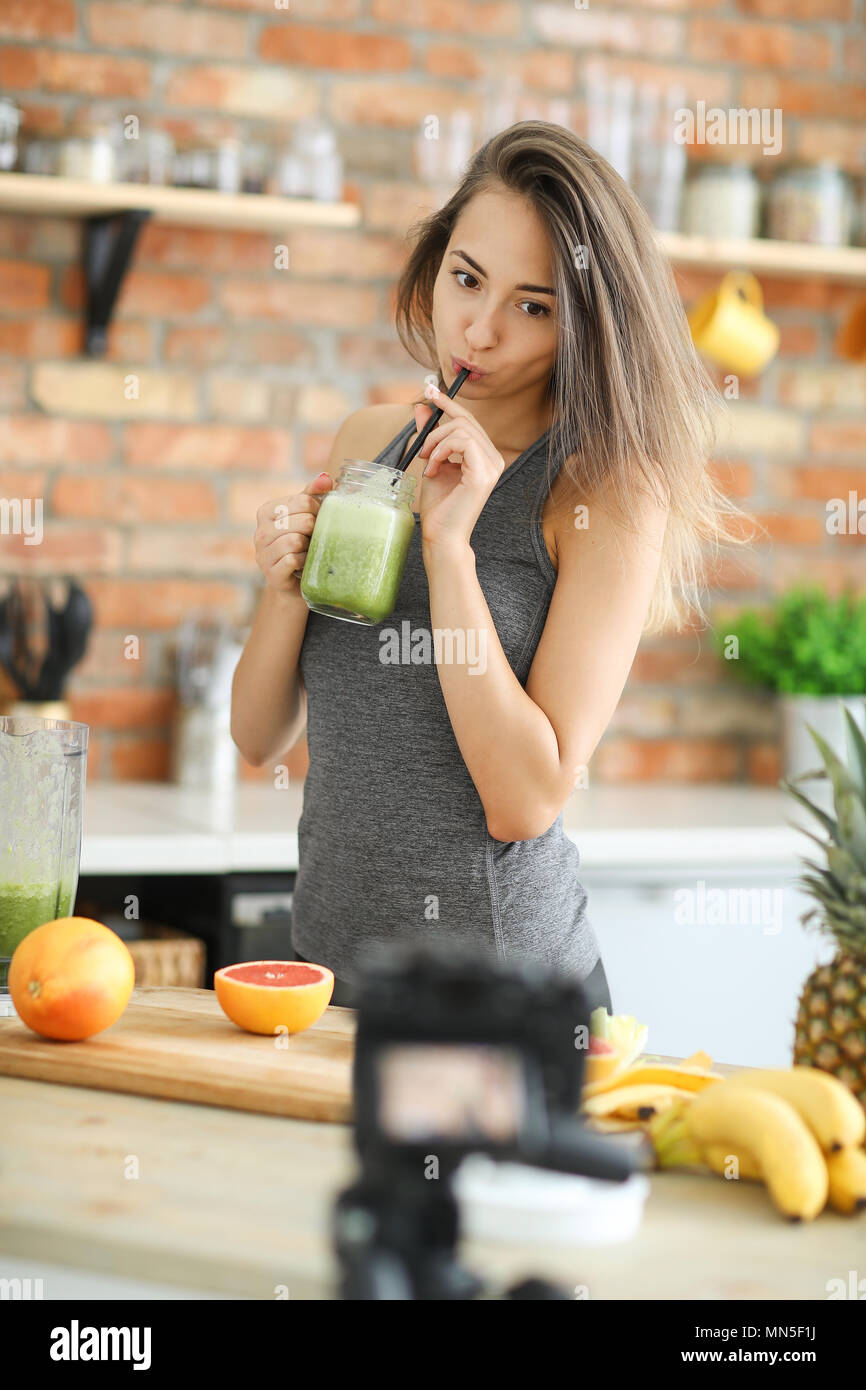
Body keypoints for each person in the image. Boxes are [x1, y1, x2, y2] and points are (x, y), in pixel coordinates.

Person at [231, 121, 755, 1017]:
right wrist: (282, 592)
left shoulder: (605, 491)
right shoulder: (371, 443)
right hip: (330, 970)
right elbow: (258, 738)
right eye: (467, 279)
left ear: (586, 323)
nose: (479, 328)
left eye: (534, 305)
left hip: (506, 991)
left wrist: (449, 549)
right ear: (435, 263)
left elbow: (525, 801)